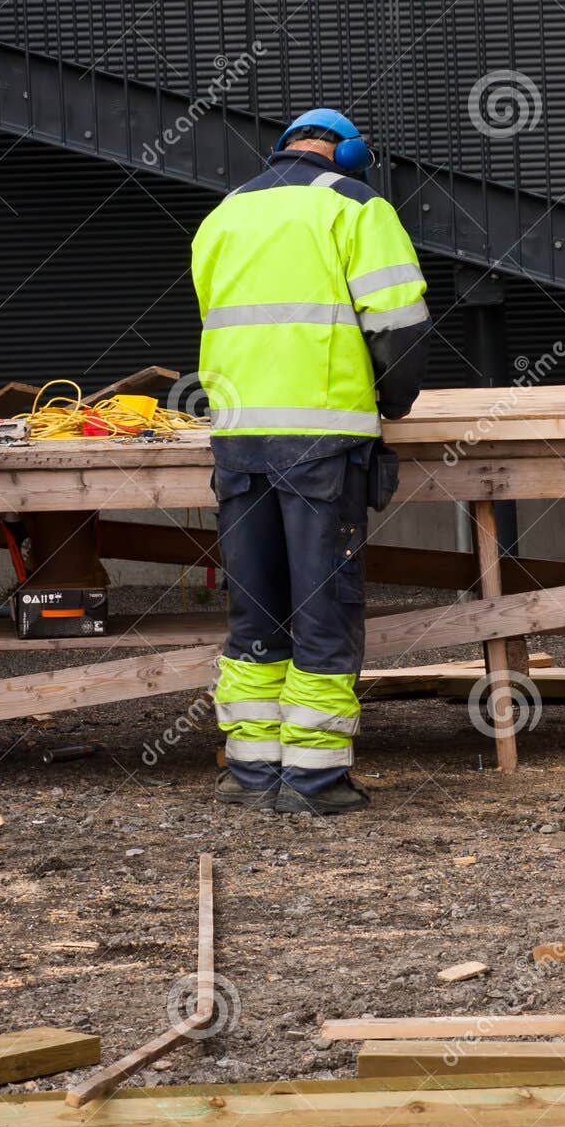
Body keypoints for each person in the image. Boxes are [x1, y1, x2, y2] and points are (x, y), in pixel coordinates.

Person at [191, 108, 430, 815]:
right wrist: (393, 401)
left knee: (255, 605)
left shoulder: (224, 214)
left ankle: (251, 771)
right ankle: (316, 780)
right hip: (323, 440)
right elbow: (399, 325)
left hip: (239, 438)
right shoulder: (358, 206)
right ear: (349, 152)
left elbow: (218, 314)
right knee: (324, 607)